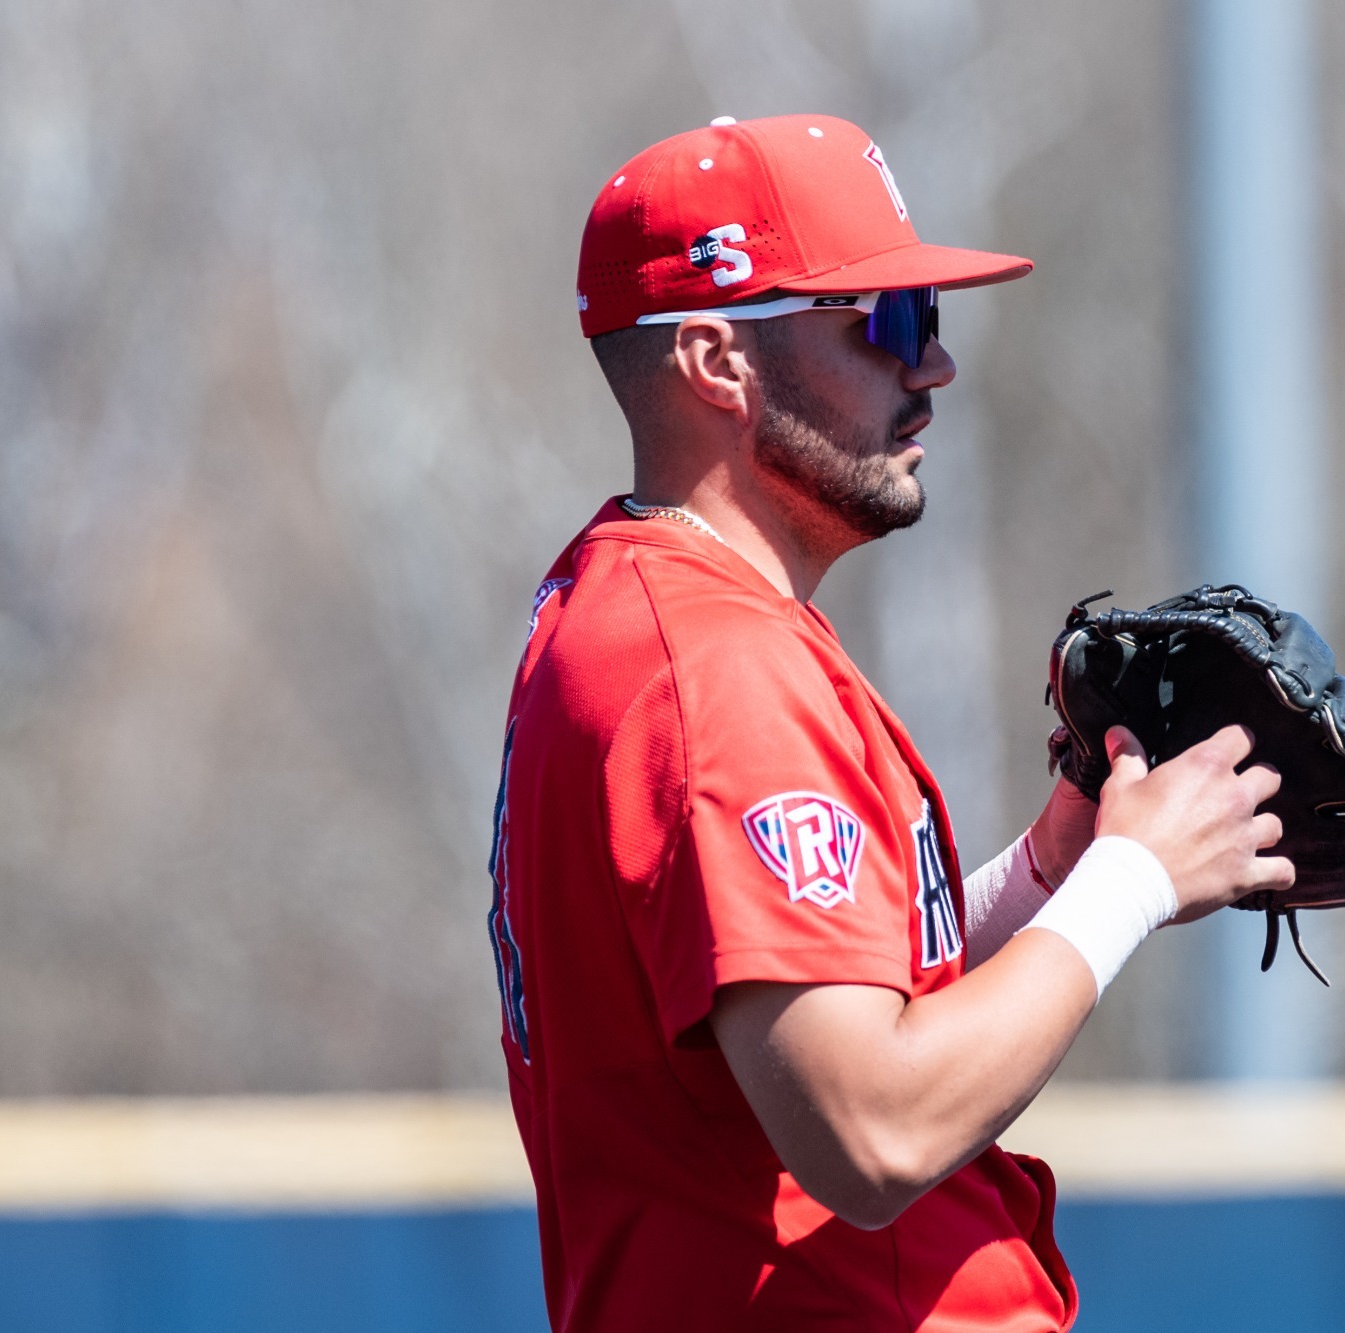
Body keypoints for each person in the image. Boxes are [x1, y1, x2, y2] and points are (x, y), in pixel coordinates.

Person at [489, 113, 1293, 1332]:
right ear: (715, 361)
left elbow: (817, 1008)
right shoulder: (714, 670)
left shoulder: (630, 613)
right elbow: (871, 1126)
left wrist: (1053, 871)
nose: (932, 368)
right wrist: (1128, 885)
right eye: (888, 320)